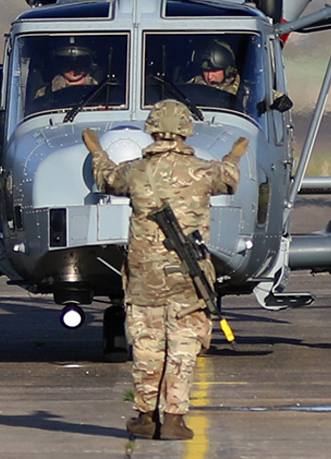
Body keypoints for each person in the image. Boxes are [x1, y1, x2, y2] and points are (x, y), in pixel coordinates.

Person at [84, 100, 245, 441]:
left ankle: (145, 417)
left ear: (153, 129)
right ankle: (173, 418)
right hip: (188, 274)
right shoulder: (204, 171)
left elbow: (106, 180)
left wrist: (96, 149)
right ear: (187, 130)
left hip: (145, 276)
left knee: (147, 344)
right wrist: (235, 153)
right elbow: (229, 180)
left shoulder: (135, 171)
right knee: (184, 345)